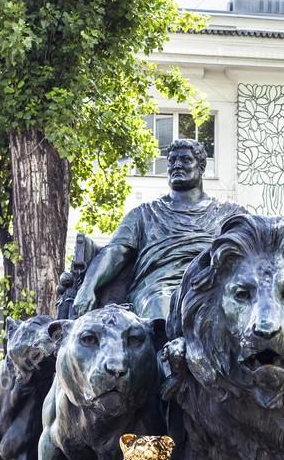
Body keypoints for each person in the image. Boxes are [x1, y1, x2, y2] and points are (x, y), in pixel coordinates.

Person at [73, 138, 243, 326]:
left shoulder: (230, 214)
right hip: (158, 290)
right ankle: (165, 352)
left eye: (185, 160)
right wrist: (87, 287)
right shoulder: (145, 214)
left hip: (214, 288)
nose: (177, 165)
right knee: (162, 305)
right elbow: (115, 252)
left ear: (202, 167)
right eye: (171, 161)